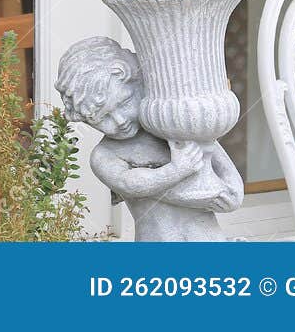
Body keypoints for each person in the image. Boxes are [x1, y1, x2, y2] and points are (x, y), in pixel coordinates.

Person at [56, 35, 242, 240]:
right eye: (102, 118)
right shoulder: (105, 156)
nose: (119, 121)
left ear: (138, 83)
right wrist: (176, 170)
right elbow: (131, 184)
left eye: (124, 103)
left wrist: (206, 142)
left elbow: (232, 195)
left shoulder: (174, 128)